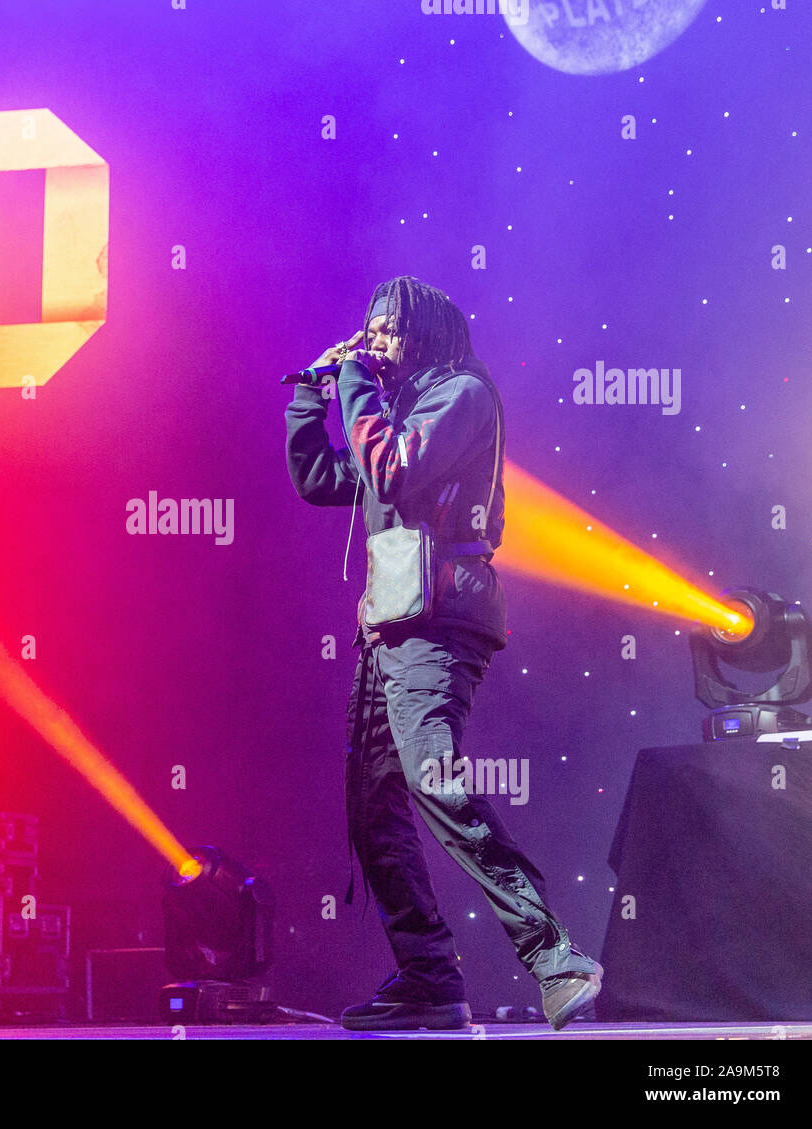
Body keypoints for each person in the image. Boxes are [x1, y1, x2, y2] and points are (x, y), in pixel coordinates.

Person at [285, 276, 602, 1032]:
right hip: (389, 625)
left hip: (439, 619)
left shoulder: (462, 395)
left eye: (390, 329)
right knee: (372, 810)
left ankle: (557, 955)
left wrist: (356, 379)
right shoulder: (393, 414)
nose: (376, 341)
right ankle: (429, 979)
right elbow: (323, 479)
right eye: (370, 329)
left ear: (426, 330)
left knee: (435, 781)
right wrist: (310, 396)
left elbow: (390, 468)